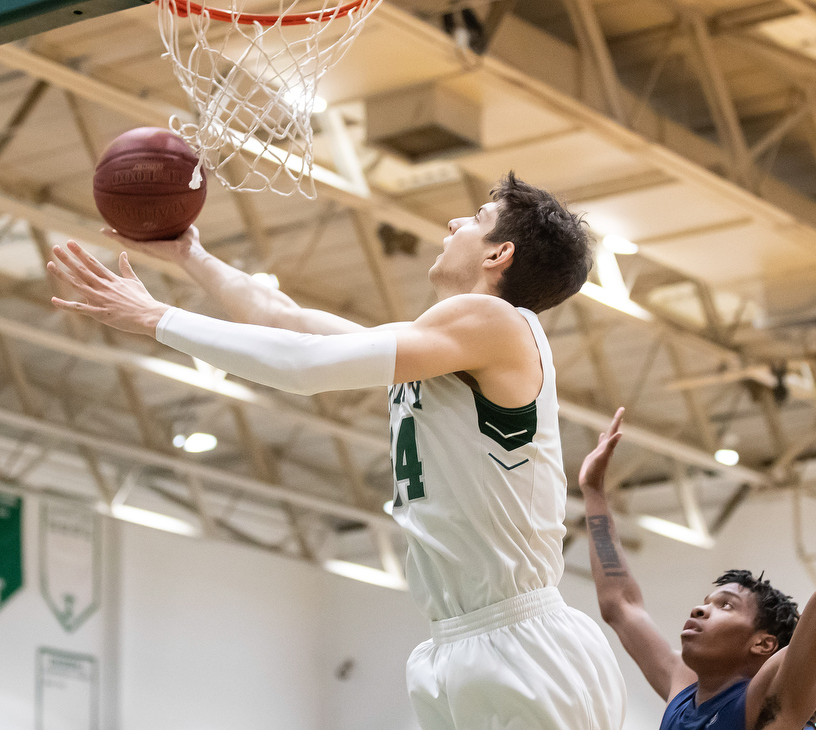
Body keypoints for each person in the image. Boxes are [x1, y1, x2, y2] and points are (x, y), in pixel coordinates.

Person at [47, 172, 626, 730]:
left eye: (475, 218)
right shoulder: (446, 345)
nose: (452, 222)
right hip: (458, 639)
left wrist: (156, 317)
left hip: (523, 642)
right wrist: (189, 253)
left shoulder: (494, 320)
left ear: (499, 254)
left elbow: (302, 366)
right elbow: (285, 321)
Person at [576, 349, 816, 730]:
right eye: (707, 602)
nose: (699, 610)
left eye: (726, 606)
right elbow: (620, 605)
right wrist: (593, 491)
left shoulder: (768, 696)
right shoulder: (684, 690)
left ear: (762, 644)